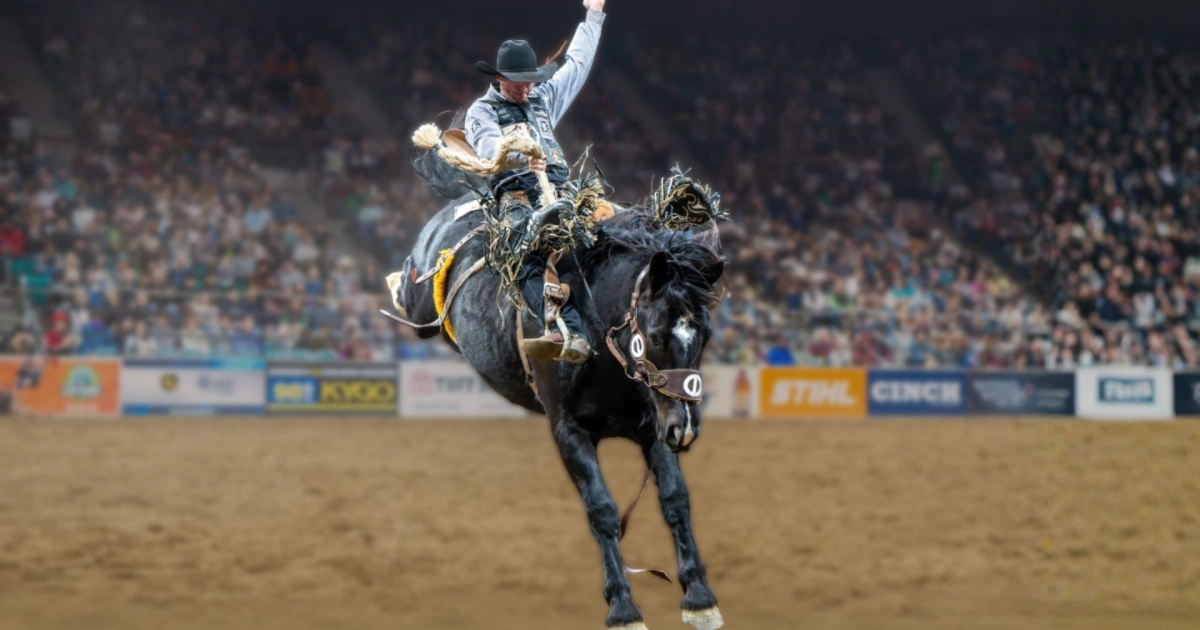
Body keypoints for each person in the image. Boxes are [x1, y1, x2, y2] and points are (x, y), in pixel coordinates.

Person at [464, 0, 606, 364]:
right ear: (499, 78)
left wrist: (593, 16)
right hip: (517, 197)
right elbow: (488, 148)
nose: (527, 89)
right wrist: (521, 153)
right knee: (524, 251)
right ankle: (564, 328)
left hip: (559, 191)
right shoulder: (482, 112)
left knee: (608, 230)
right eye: (520, 83)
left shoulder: (543, 96)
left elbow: (577, 64)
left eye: (531, 82)